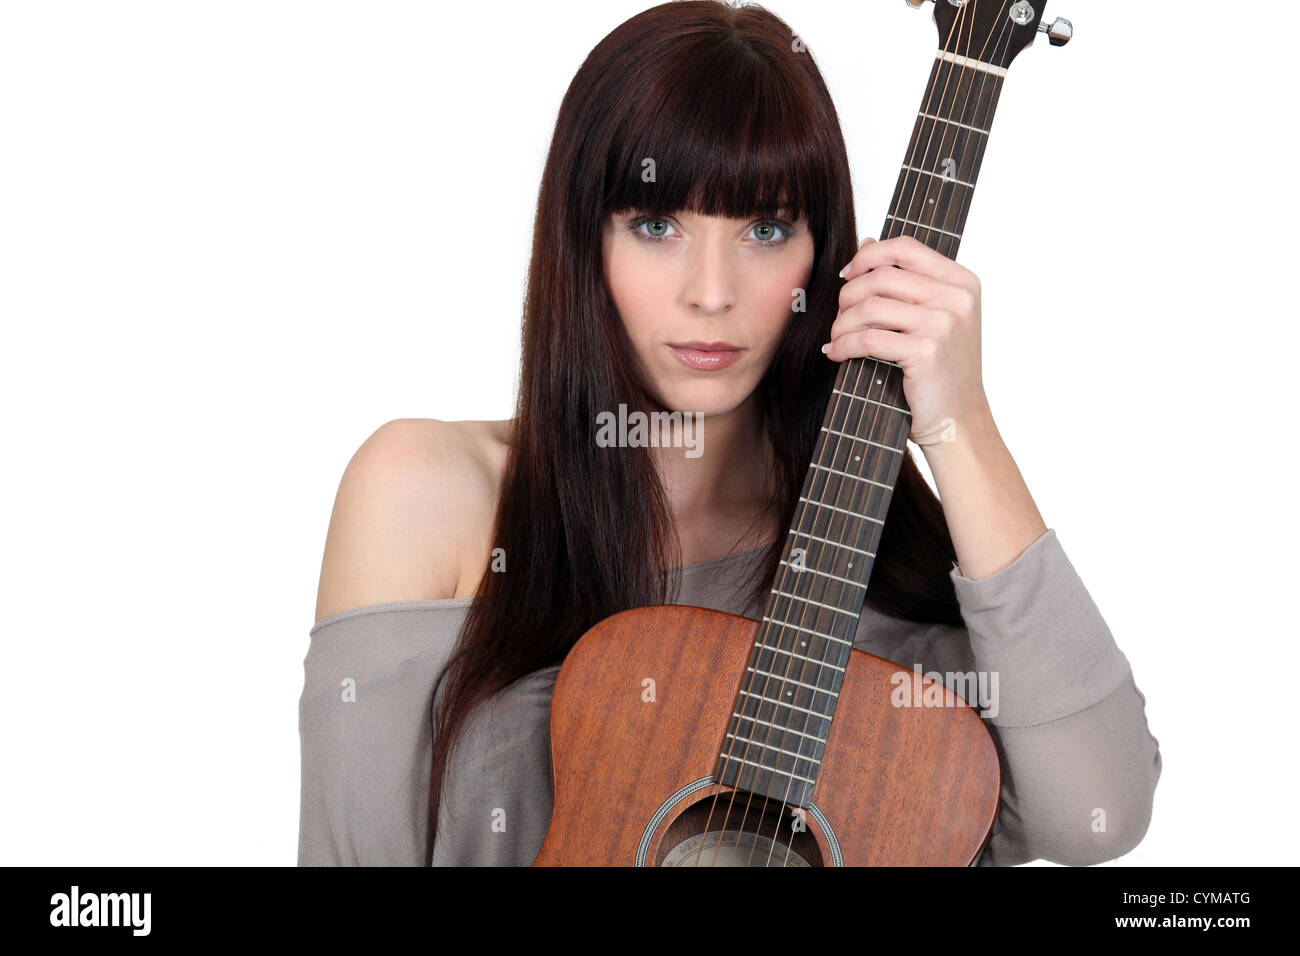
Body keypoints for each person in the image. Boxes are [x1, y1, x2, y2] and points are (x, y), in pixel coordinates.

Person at [298, 0, 1161, 866]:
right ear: (580, 241)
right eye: (657, 225)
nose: (710, 294)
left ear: (826, 256)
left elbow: (1098, 815)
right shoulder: (429, 494)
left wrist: (959, 426)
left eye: (765, 228)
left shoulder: (880, 568)